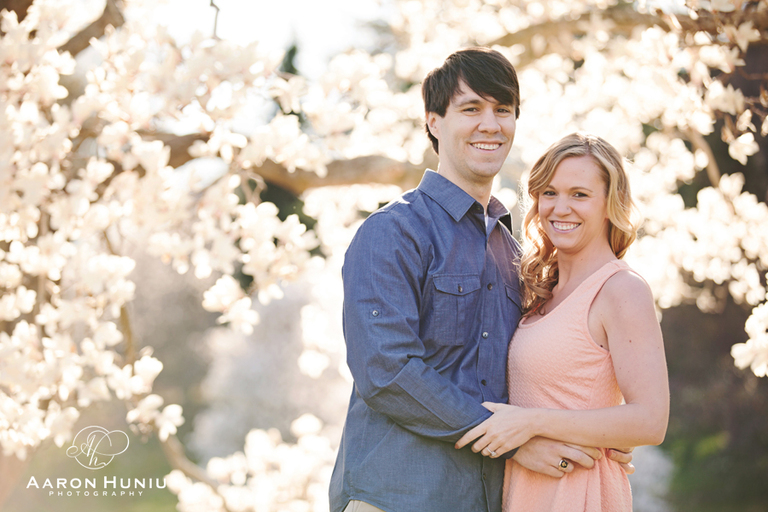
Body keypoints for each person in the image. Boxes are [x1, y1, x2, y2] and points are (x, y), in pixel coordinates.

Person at [455, 132, 670, 511]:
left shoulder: (621, 289)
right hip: (523, 489)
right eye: (549, 193)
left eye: (580, 194)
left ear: (609, 204)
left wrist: (531, 422)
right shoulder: (539, 289)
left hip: (577, 492)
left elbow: (651, 419)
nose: (560, 207)